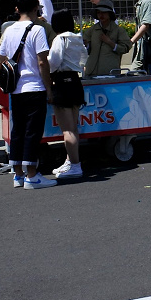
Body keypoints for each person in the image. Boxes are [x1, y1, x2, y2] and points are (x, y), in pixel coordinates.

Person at [0, 0, 57, 189]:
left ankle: (18, 175)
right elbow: (42, 62)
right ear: (35, 8)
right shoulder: (37, 30)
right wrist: (49, 88)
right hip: (34, 87)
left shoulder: (8, 30)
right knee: (32, 132)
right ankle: (32, 175)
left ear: (17, 9)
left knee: (18, 131)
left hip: (15, 89)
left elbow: (0, 60)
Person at [48, 9, 87, 179]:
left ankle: (75, 166)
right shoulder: (77, 38)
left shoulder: (60, 38)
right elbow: (84, 58)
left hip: (62, 82)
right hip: (75, 82)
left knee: (67, 130)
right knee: (74, 127)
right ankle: (70, 161)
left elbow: (54, 61)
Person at [83, 0, 131, 77]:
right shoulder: (91, 30)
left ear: (110, 14)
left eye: (104, 12)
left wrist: (110, 43)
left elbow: (125, 48)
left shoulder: (119, 31)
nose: (101, 15)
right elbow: (85, 50)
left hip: (110, 72)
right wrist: (86, 45)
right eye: (98, 13)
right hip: (92, 72)